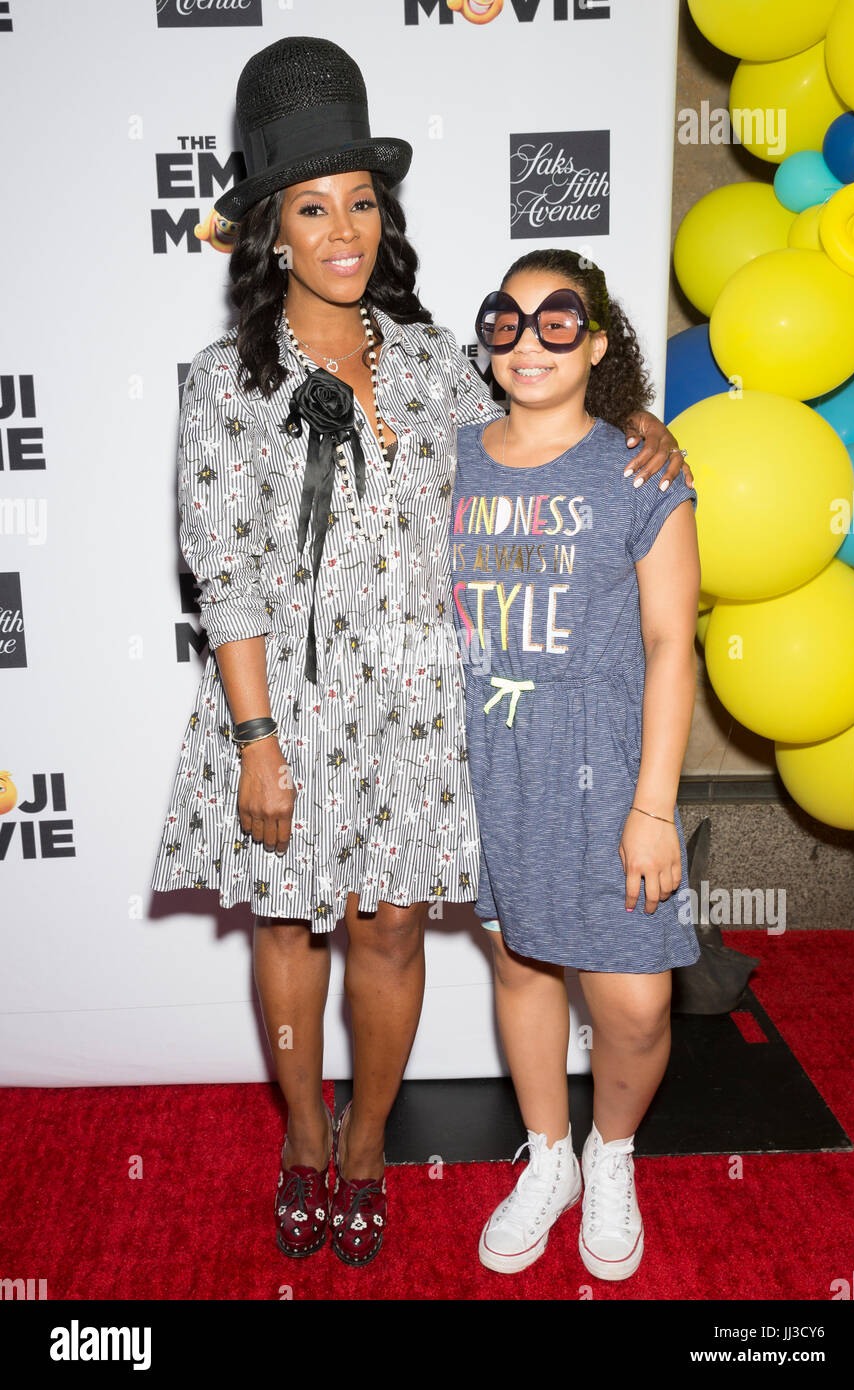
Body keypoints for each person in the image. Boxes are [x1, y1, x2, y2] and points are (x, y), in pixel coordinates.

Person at [150, 36, 693, 1268]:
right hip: (280, 702)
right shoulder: (220, 384)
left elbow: (539, 410)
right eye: (310, 207)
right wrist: (255, 739)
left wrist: (635, 416)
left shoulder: (439, 357)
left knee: (390, 932)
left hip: (415, 705)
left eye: (358, 201)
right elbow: (223, 569)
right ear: (268, 230)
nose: (342, 229)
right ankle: (302, 1137)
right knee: (290, 930)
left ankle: (367, 1144)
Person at [451, 248, 701, 1281]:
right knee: (521, 962)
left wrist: (653, 807)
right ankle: (547, 1153)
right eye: (503, 321)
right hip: (486, 755)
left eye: (558, 320)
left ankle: (612, 1152)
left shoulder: (640, 468)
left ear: (595, 342)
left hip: (606, 764)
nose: (528, 340)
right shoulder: (446, 456)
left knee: (634, 1001)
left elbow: (666, 646)